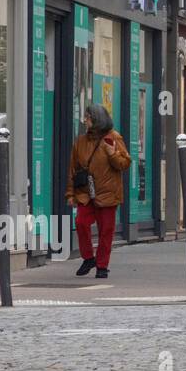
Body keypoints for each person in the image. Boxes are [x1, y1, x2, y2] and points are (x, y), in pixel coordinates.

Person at [66, 105, 131, 279]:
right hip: (86, 192)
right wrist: (70, 194)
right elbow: (73, 169)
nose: (84, 120)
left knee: (106, 231)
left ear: (96, 119)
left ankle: (102, 265)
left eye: (87, 117)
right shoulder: (80, 141)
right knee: (80, 223)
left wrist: (112, 153)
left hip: (107, 192)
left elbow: (125, 163)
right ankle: (88, 258)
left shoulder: (113, 137)